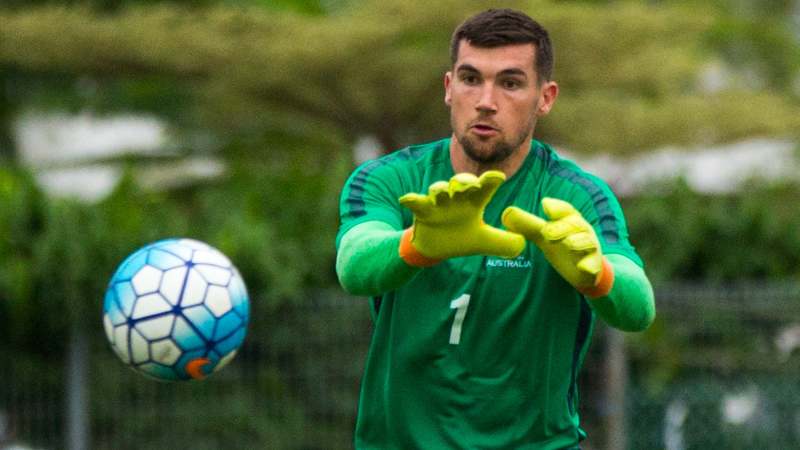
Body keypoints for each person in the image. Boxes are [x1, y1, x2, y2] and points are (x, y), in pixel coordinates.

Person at [335, 8, 655, 450]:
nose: (486, 100)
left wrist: (597, 275)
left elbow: (638, 306)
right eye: (470, 79)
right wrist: (418, 246)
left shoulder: (577, 196)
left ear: (546, 97)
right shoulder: (388, 179)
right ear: (449, 88)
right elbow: (354, 264)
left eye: (510, 82)